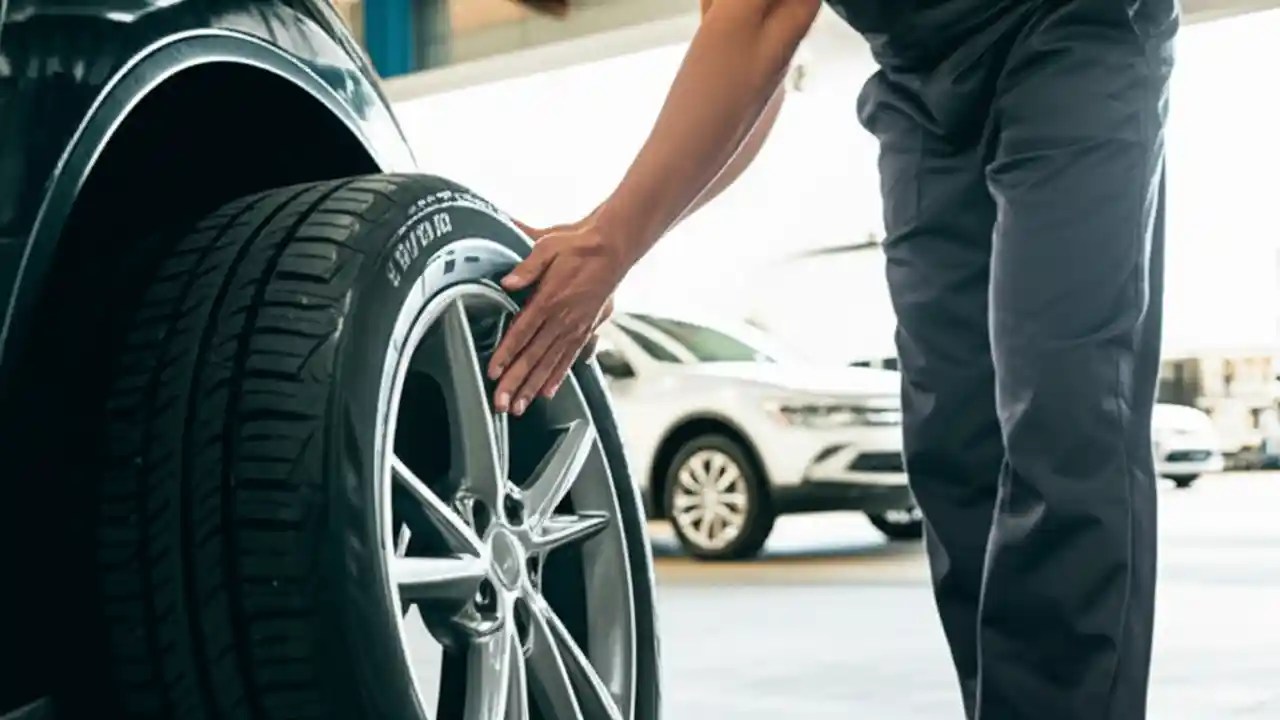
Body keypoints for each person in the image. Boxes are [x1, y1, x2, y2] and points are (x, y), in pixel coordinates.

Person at [488, 1, 1177, 717]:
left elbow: (764, 20)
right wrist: (616, 241)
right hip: (920, 79)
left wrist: (612, 241)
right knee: (954, 446)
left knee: (1063, 414)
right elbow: (754, 65)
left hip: (1072, 28)